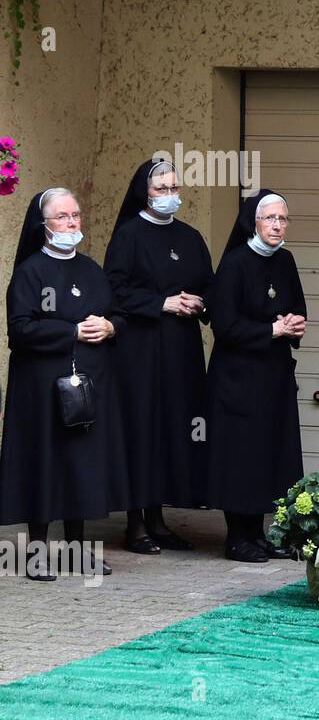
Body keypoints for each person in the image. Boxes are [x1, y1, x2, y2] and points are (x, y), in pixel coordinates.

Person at [0, 189, 127, 579]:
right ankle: (36, 552)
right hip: (41, 387)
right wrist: (71, 330)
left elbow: (116, 314)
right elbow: (20, 330)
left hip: (88, 385)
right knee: (44, 464)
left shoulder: (91, 270)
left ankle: (79, 550)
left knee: (82, 465)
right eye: (62, 217)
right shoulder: (30, 272)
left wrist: (109, 326)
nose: (72, 223)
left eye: (75, 215)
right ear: (43, 226)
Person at [105, 159, 214, 553]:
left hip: (181, 350)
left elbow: (208, 284)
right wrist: (161, 303)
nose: (170, 196)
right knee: (142, 431)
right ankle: (135, 524)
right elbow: (114, 291)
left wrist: (199, 303)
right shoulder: (129, 236)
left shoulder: (190, 237)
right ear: (144, 193)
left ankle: (159, 520)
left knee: (172, 430)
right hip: (140, 350)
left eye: (173, 188)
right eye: (160, 189)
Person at [205, 189, 307, 562]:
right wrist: (272, 331)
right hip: (238, 378)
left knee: (269, 454)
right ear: (254, 222)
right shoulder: (234, 264)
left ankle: (259, 534)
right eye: (270, 219)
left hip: (275, 375)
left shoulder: (286, 260)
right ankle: (237, 537)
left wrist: (296, 324)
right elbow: (225, 326)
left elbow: (296, 305)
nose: (278, 225)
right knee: (241, 456)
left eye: (283, 219)